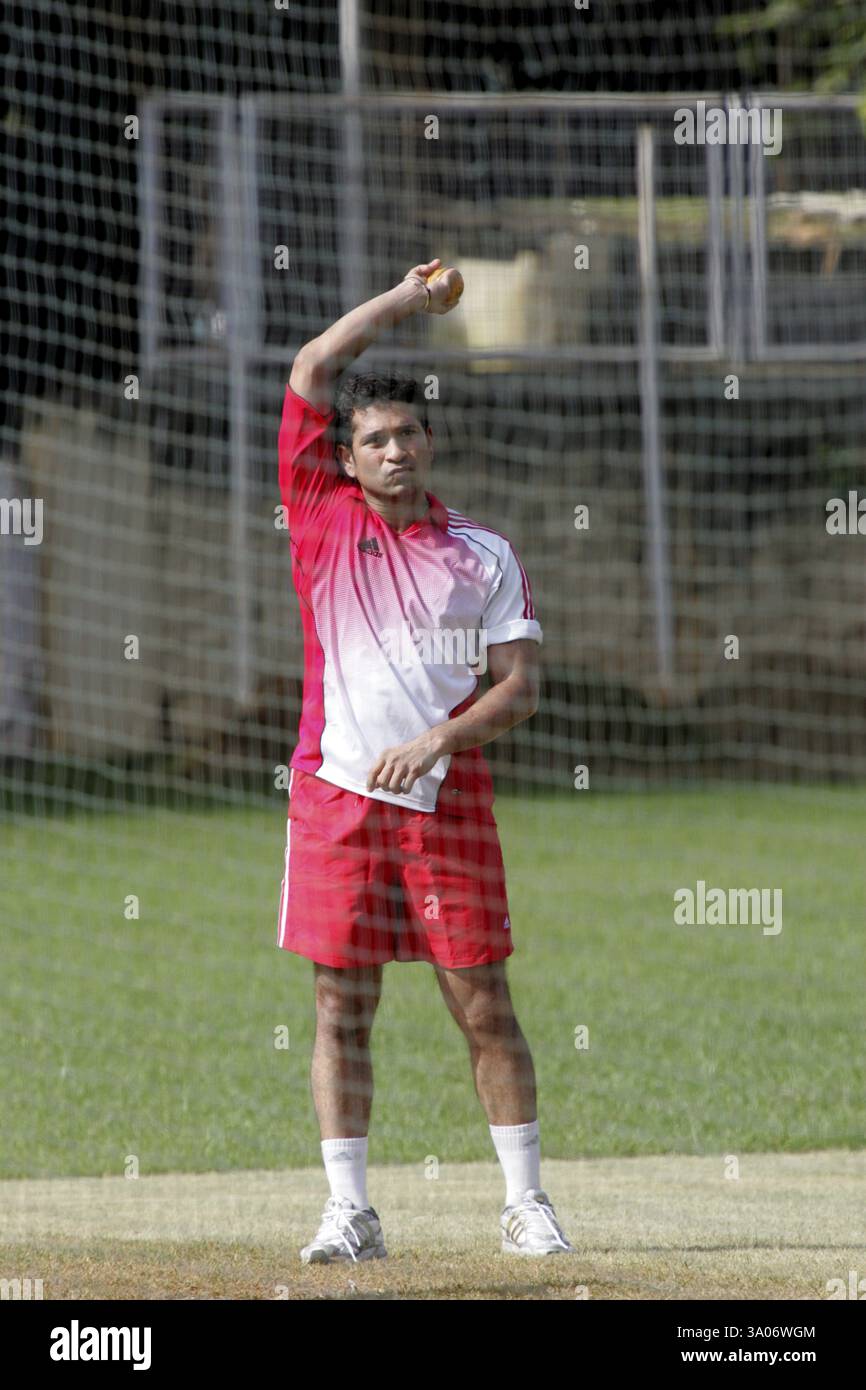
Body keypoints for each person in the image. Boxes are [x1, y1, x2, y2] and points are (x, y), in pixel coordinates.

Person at [276, 257, 573, 1262]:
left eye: (408, 432)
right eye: (373, 438)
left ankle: (525, 1202)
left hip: (446, 804)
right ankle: (348, 1212)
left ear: (429, 442)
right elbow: (316, 360)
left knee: (483, 1003)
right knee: (338, 1004)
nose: (393, 449)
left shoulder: (481, 553)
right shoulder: (318, 520)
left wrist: (441, 736)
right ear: (345, 460)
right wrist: (407, 301)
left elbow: (519, 686)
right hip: (335, 800)